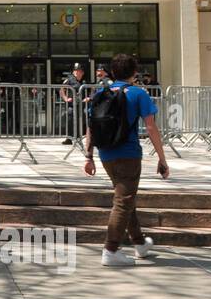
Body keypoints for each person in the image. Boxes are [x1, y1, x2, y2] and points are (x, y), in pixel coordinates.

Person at [84, 52, 170, 268]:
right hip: (129, 154)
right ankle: (110, 249)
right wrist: (162, 158)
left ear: (113, 72)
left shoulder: (99, 94)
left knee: (126, 198)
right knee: (123, 202)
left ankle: (140, 244)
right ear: (134, 73)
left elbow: (91, 127)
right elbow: (151, 127)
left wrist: (89, 156)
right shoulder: (138, 94)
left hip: (106, 155)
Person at [60, 62, 87, 145]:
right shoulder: (69, 79)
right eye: (75, 70)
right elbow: (62, 90)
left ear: (82, 72)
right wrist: (65, 98)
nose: (77, 72)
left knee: (81, 120)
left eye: (79, 70)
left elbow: (90, 89)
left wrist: (88, 97)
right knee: (70, 120)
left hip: (80, 105)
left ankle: (78, 138)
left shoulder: (84, 81)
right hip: (72, 105)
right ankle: (69, 138)